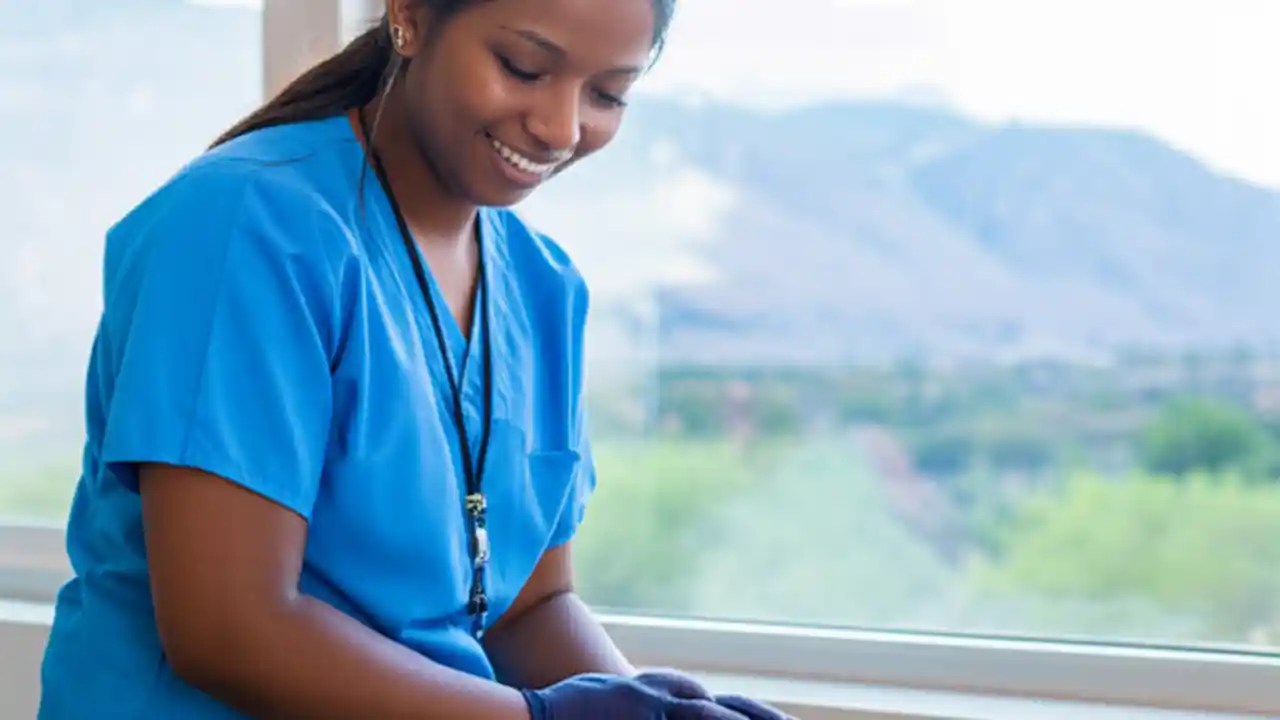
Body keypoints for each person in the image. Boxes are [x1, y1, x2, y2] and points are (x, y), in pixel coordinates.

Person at [37, 0, 793, 718]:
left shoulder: (543, 288)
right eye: (524, 67)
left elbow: (527, 608)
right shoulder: (245, 227)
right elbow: (229, 629)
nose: (561, 126)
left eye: (608, 93)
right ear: (409, 15)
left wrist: (651, 711)